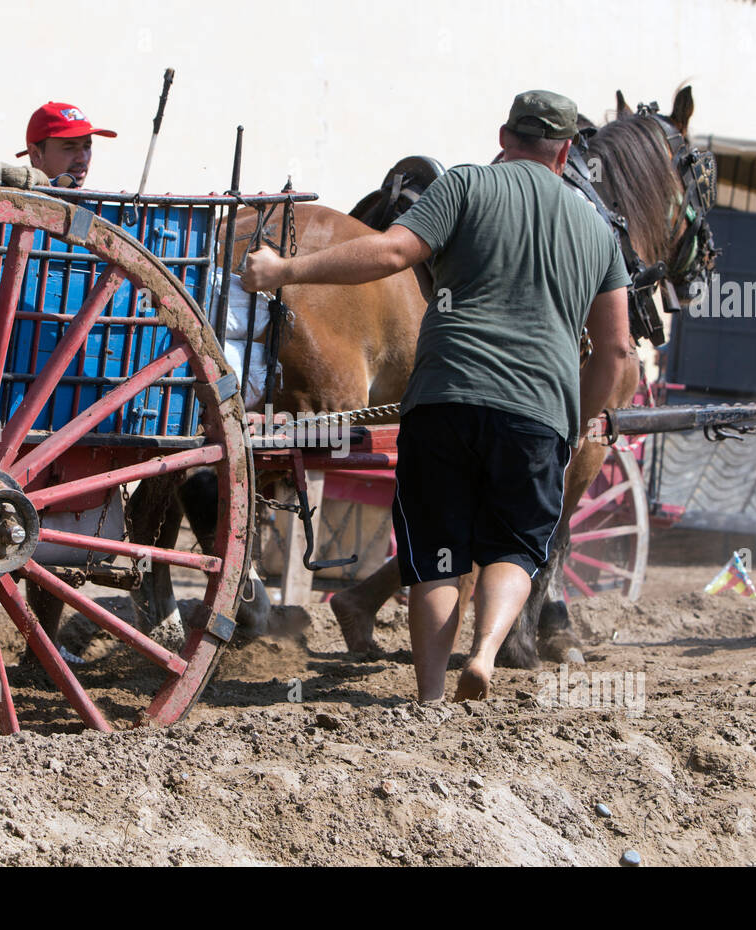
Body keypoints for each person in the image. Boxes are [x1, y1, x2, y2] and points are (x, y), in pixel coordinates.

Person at [240, 90, 633, 704]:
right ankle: (482, 654)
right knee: (512, 548)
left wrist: (285, 271)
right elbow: (617, 352)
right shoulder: (596, 229)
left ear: (505, 136)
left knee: (436, 555)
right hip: (537, 414)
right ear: (564, 154)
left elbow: (392, 252)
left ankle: (429, 696)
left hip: (444, 400)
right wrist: (578, 423)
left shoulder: (466, 186)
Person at [17, 101, 117, 188]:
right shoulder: (13, 205)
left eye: (87, 147)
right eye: (69, 148)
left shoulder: (95, 204)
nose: (82, 158)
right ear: (36, 154)